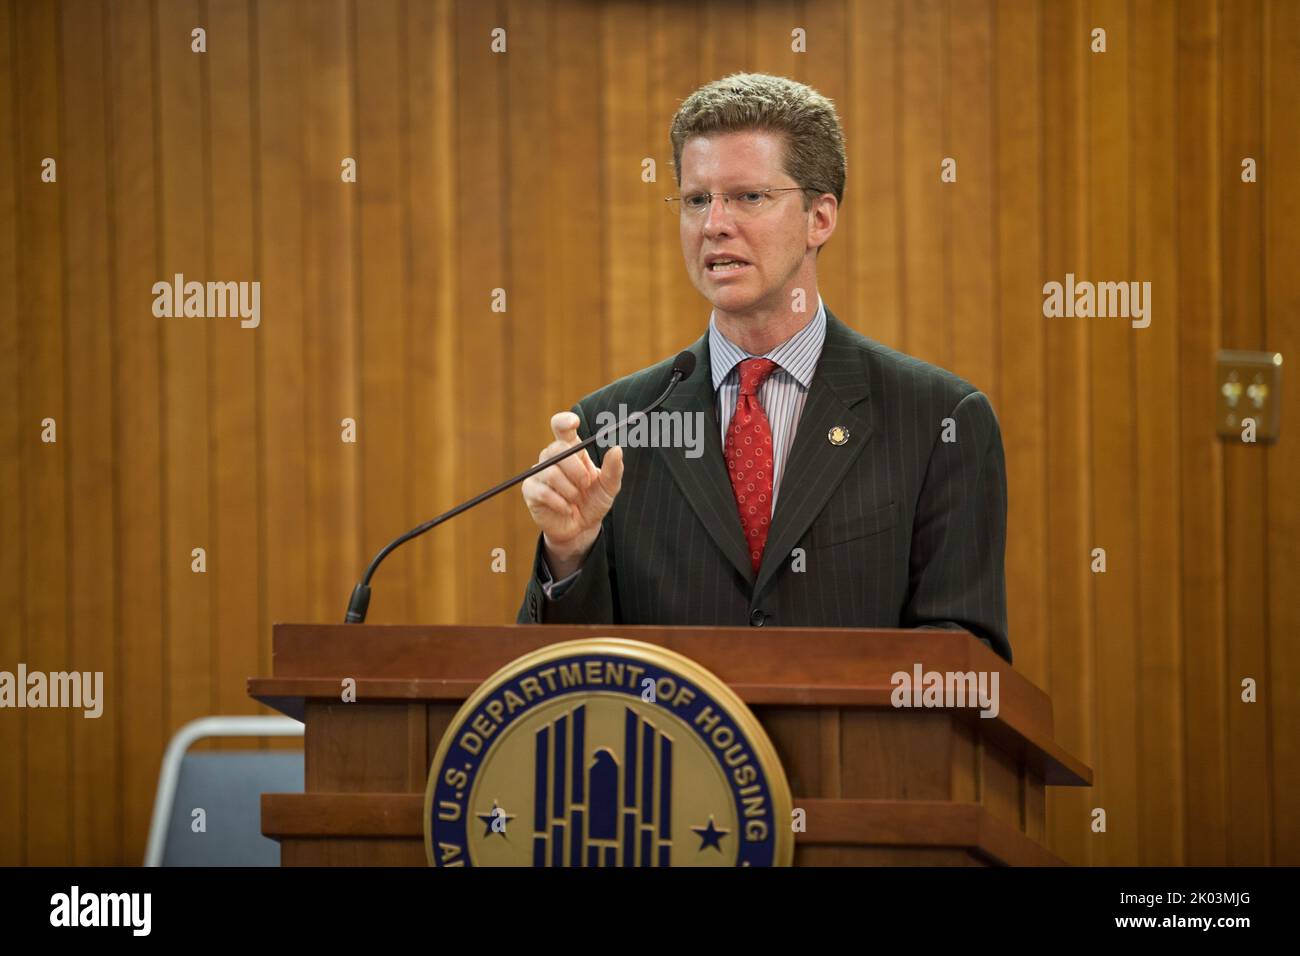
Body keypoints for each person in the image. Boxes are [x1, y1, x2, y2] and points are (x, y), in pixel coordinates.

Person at [516, 72, 1011, 663]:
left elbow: (964, 658)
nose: (714, 224)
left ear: (819, 218)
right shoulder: (612, 425)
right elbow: (558, 681)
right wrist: (569, 556)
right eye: (697, 199)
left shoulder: (937, 421)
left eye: (748, 197)